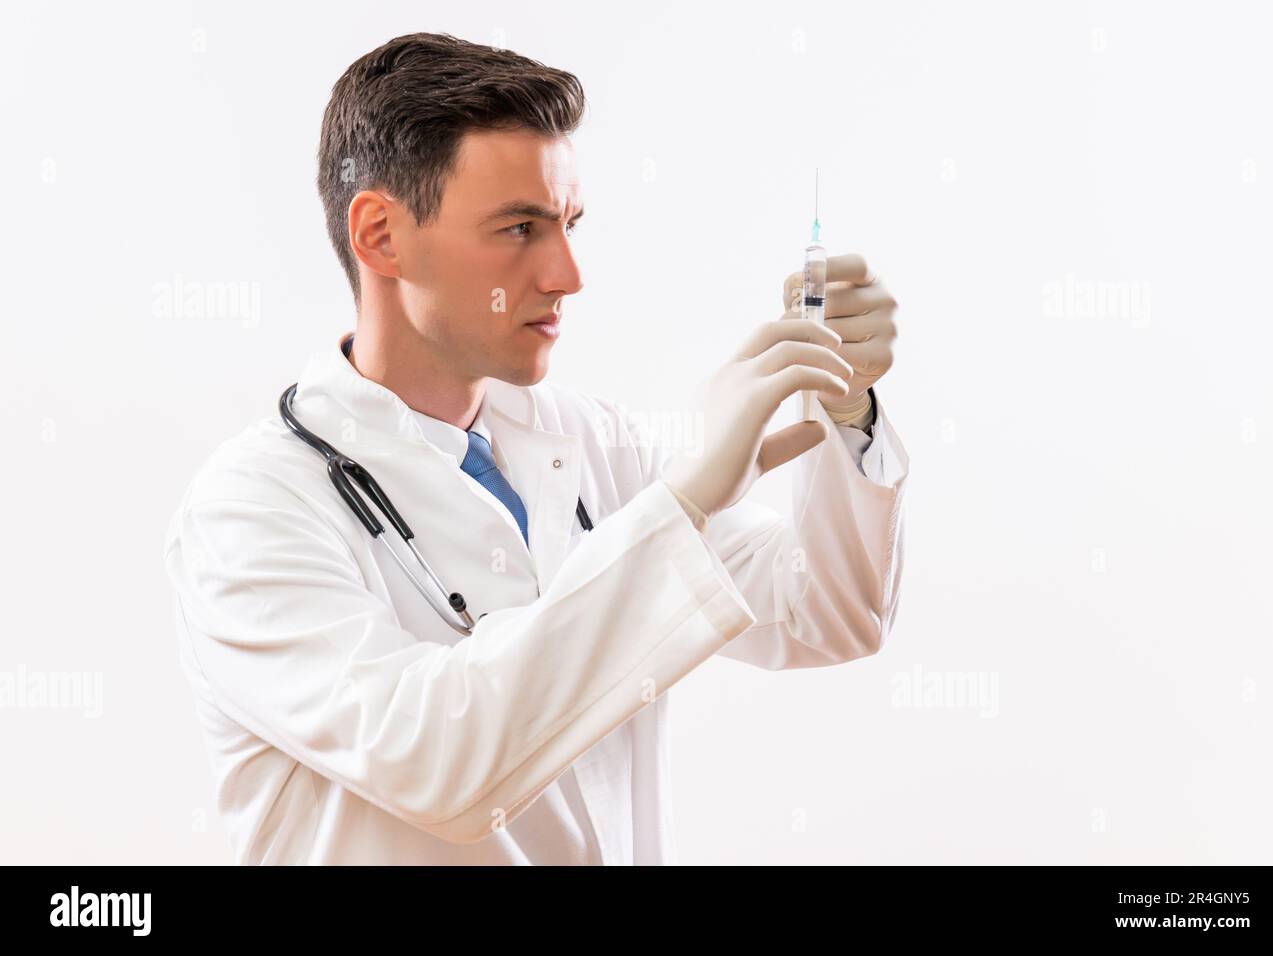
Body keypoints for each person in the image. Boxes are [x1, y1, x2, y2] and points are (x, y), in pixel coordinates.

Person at [163, 32, 909, 865]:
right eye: (520, 228)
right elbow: (441, 767)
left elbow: (828, 615)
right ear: (380, 235)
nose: (567, 273)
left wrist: (849, 410)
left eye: (570, 223)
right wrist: (683, 503)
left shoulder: (590, 441)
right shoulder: (253, 510)